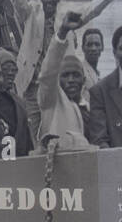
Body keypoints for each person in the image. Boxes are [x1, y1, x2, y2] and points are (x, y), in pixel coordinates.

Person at [0, 0, 122, 143]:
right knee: (32, 130)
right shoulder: (31, 13)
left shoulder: (66, 18)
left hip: (58, 88)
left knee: (58, 130)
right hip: (31, 87)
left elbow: (91, 10)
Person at [36, 12, 96, 151]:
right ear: (57, 78)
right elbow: (47, 74)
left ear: (84, 80)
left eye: (75, 75)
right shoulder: (50, 102)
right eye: (65, 75)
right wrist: (62, 32)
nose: (71, 80)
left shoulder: (90, 107)